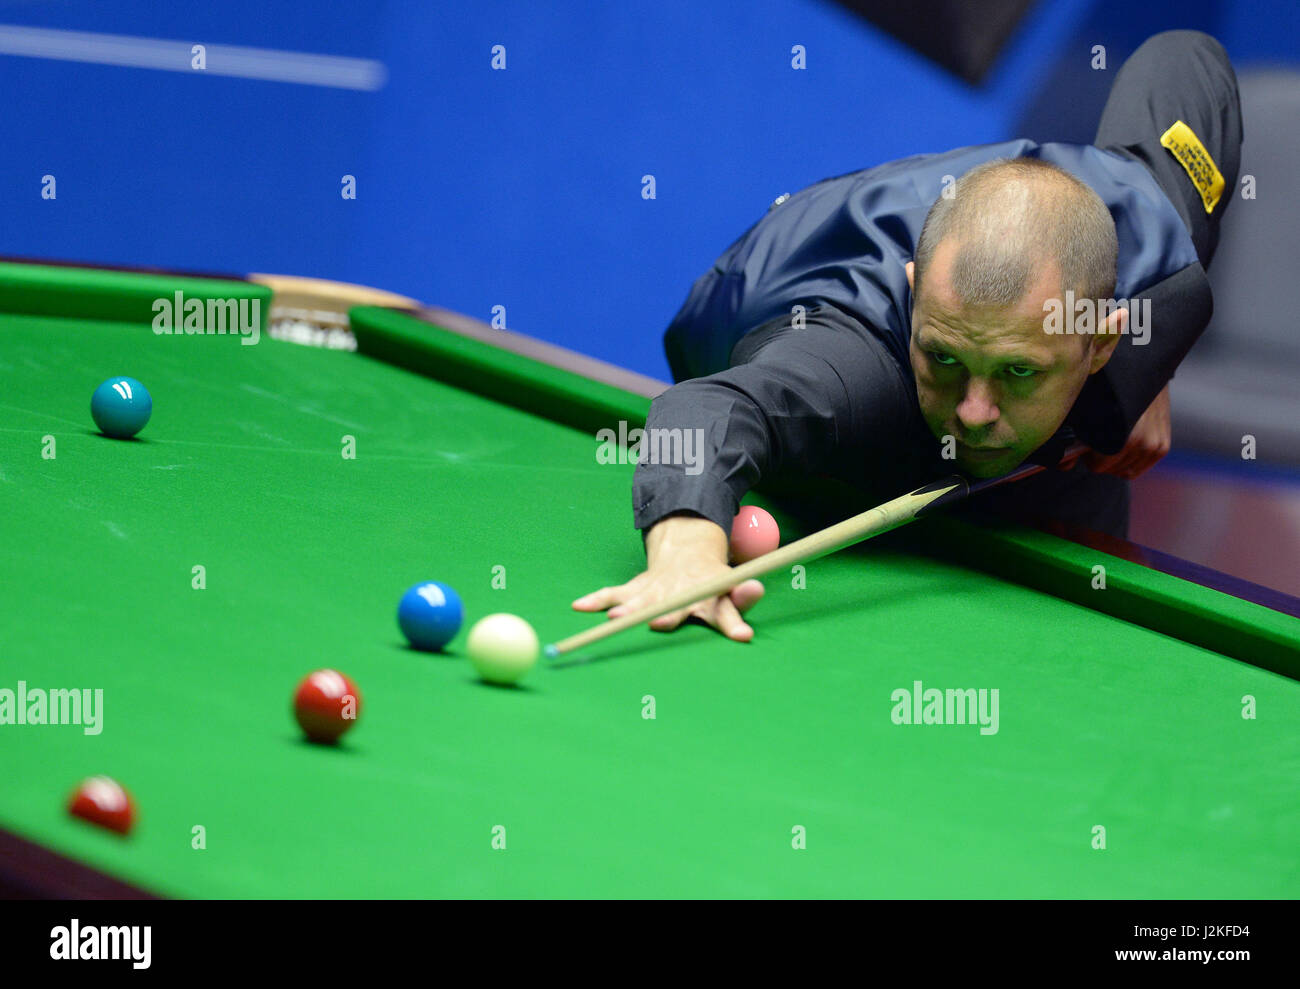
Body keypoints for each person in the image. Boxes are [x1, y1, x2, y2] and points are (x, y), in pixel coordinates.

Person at [574, 30, 1243, 641]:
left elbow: (1183, 56)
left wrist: (1154, 368)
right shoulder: (850, 371)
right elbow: (708, 410)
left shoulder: (1158, 248)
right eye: (946, 358)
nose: (973, 411)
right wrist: (687, 550)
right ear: (916, 289)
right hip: (771, 327)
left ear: (1100, 340)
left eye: (1017, 372)